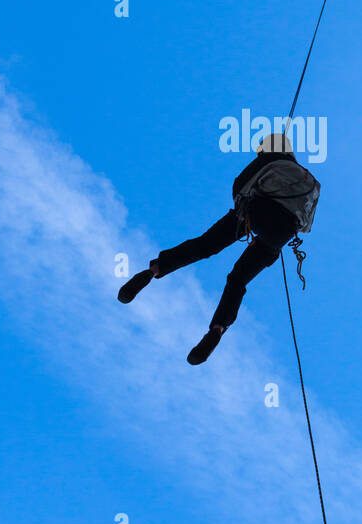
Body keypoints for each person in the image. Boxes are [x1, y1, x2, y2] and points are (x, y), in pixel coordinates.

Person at [118, 133, 319, 364]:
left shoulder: (271, 160)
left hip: (257, 211)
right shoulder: (310, 180)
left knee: (205, 246)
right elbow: (306, 225)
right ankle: (218, 328)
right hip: (282, 233)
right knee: (238, 280)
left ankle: (152, 271)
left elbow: (240, 185)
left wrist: (245, 208)